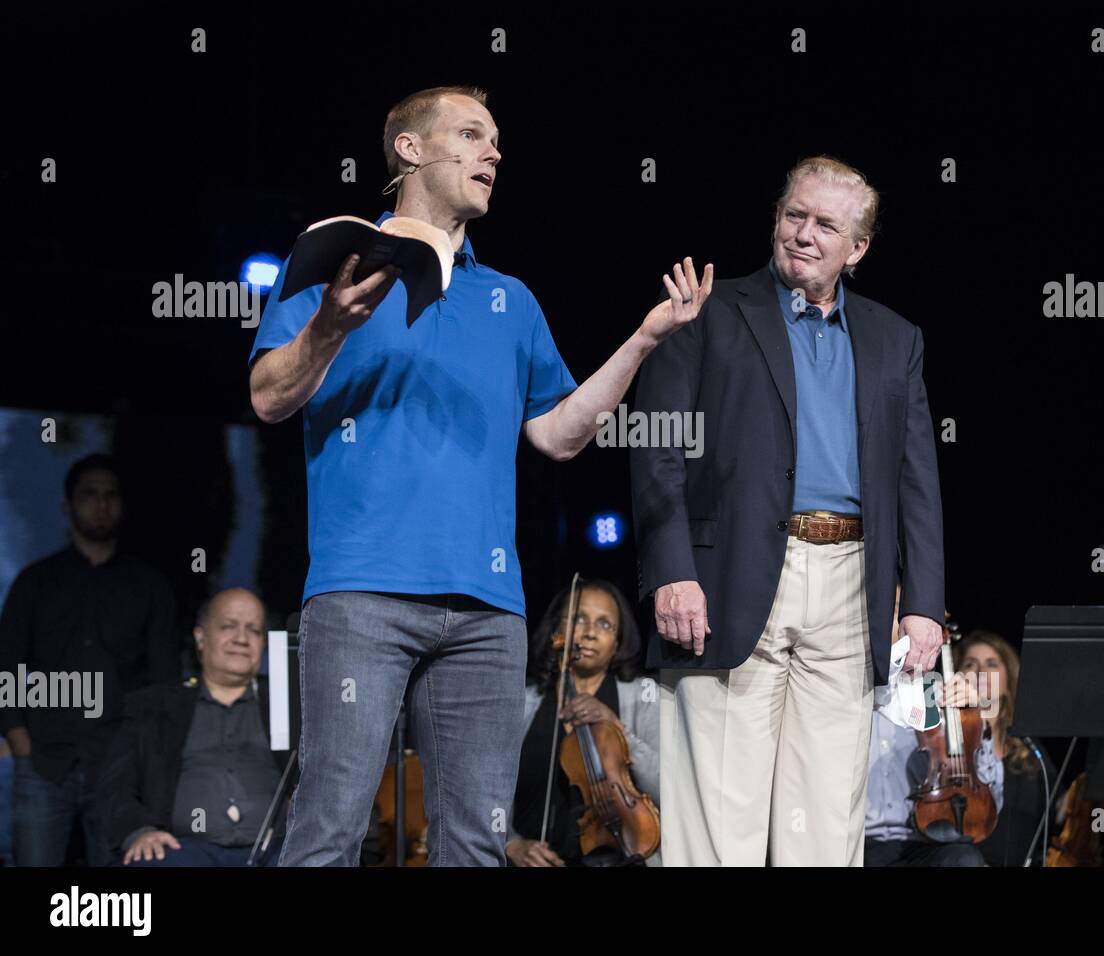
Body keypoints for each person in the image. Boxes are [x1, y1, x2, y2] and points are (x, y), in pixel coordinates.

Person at [248, 85, 709, 866]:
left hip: (488, 613)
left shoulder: (511, 300)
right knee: (330, 827)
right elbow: (268, 397)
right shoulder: (334, 264)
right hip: (362, 596)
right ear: (410, 149)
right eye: (471, 135)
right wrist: (329, 324)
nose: (494, 152)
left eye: (497, 140)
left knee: (475, 841)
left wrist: (642, 341)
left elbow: (560, 435)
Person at [631, 155, 945, 866]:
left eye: (825, 225)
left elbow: (917, 477)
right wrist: (672, 571)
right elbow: (655, 450)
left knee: (827, 823)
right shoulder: (706, 309)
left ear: (857, 248)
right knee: (719, 819)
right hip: (726, 579)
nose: (803, 233)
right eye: (793, 215)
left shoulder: (896, 338)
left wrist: (923, 601)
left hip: (851, 585)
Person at [0, 453, 176, 866]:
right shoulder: (35, 582)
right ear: (67, 506)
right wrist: (17, 739)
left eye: (111, 495)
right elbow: (6, 665)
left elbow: (164, 681)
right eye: (89, 495)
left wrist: (146, 757)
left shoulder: (149, 585)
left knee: (115, 904)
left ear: (122, 506)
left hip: (120, 767)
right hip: (42, 761)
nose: (101, 505)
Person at [98, 588, 291, 866]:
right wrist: (139, 832)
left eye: (254, 630)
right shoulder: (153, 706)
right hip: (182, 851)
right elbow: (114, 785)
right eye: (228, 626)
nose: (241, 638)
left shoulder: (288, 703)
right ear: (200, 637)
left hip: (279, 852)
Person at [507, 580, 658, 867]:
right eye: (579, 619)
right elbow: (488, 792)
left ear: (617, 643)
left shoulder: (643, 697)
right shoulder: (522, 702)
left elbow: (667, 787)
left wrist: (617, 729)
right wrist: (510, 843)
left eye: (604, 625)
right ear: (557, 630)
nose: (589, 633)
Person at [864, 591, 994, 866]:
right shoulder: (851, 687)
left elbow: (991, 798)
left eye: (908, 611)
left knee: (965, 858)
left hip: (917, 841)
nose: (904, 622)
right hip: (854, 842)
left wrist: (975, 718)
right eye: (894, 610)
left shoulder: (938, 693)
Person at [956, 630, 1058, 866]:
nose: (981, 672)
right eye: (971, 664)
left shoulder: (1029, 748)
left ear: (1008, 680)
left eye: (992, 664)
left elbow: (1057, 809)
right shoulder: (945, 742)